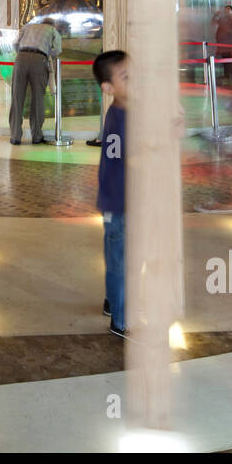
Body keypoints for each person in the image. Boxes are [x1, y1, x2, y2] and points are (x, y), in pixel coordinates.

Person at [94, 50, 129, 339]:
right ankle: (121, 320)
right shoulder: (117, 119)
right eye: (127, 77)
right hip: (119, 201)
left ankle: (111, 301)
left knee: (116, 254)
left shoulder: (130, 112)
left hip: (124, 200)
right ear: (109, 88)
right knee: (120, 258)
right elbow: (117, 158)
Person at [9, 16, 63, 144]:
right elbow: (58, 50)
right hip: (40, 59)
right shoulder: (53, 31)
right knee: (38, 98)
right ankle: (37, 136)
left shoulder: (28, 27)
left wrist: (22, 54)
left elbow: (15, 43)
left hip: (21, 58)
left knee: (16, 97)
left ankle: (15, 137)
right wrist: (48, 54)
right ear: (53, 24)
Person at [212, 4, 232, 84]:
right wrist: (215, 15)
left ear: (231, 11)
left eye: (227, 10)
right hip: (222, 45)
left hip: (230, 46)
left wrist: (229, 15)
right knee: (225, 63)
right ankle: (226, 76)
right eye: (225, 10)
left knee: (231, 62)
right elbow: (213, 22)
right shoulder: (222, 19)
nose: (225, 11)